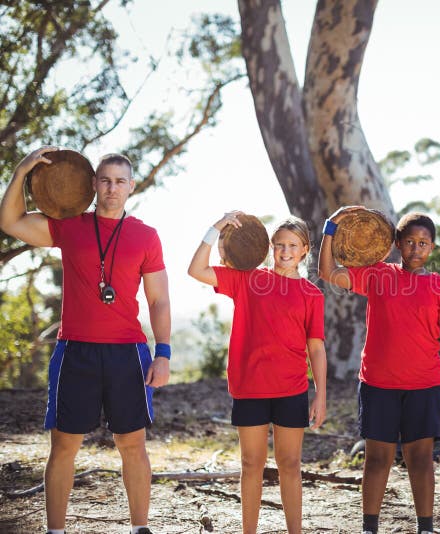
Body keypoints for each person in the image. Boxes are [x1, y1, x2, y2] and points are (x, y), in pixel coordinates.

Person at [0, 147, 171, 534]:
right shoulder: (69, 225)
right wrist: (22, 170)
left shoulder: (146, 236)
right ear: (93, 184)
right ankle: (55, 531)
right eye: (105, 180)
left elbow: (159, 299)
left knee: (133, 445)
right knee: (63, 447)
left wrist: (163, 352)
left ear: (131, 187)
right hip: (75, 351)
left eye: (120, 182)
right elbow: (9, 221)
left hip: (128, 353)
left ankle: (139, 529)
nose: (112, 188)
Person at [318, 208, 440, 534]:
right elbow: (327, 271)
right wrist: (331, 226)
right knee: (377, 460)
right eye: (409, 242)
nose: (415, 249)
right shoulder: (377, 274)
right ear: (397, 244)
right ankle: (369, 528)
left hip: (424, 385)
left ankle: (426, 528)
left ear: (432, 248)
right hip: (378, 385)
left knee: (420, 460)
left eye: (423, 243)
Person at [188, 212, 326, 534]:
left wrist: (321, 393)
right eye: (279, 244)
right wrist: (217, 227)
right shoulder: (248, 279)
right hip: (249, 388)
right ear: (270, 247)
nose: (285, 251)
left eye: (293, 245)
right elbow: (196, 269)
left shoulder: (311, 295)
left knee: (290, 465)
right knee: (251, 465)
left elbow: (316, 348)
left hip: (291, 389)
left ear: (305, 249)